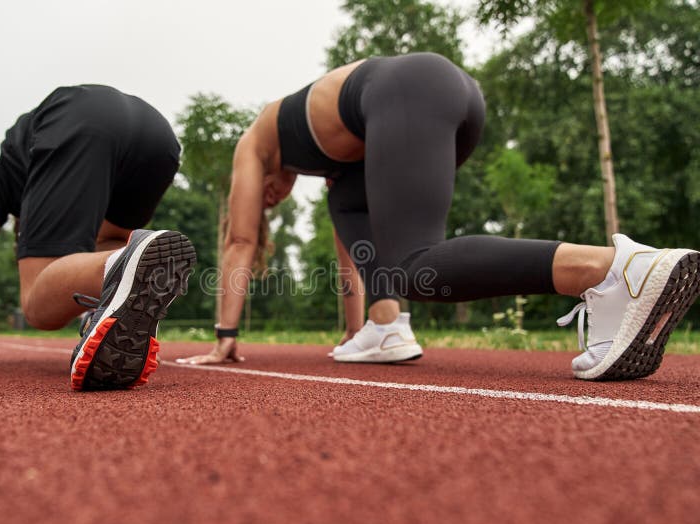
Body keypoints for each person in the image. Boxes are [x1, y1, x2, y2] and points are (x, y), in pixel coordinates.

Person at [177, 52, 699, 380]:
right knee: (351, 204)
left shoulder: (255, 140)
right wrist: (355, 329)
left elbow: (240, 240)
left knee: (415, 266)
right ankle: (385, 328)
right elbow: (352, 249)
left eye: (265, 194)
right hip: (449, 96)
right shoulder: (338, 164)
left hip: (411, 91)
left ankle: (612, 269)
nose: (269, 197)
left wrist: (224, 333)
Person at [0, 85, 196, 391]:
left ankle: (118, 266)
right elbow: (110, 236)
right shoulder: (50, 174)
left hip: (80, 120)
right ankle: (111, 300)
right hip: (158, 138)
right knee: (117, 245)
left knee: (38, 306)